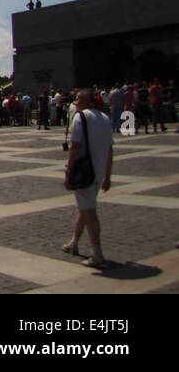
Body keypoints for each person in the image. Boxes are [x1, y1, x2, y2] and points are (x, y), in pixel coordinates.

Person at [62, 87, 113, 268]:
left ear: (86, 101)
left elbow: (75, 147)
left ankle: (97, 253)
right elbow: (109, 149)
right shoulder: (105, 118)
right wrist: (107, 176)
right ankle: (74, 243)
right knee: (84, 207)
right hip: (98, 171)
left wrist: (68, 172)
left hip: (84, 172)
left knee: (89, 211)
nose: (75, 102)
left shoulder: (80, 117)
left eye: (78, 99)